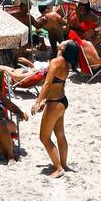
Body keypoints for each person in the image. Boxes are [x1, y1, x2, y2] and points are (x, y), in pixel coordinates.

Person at [32, 40, 78, 177]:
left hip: (54, 103)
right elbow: (58, 85)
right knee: (60, 134)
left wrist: (38, 101)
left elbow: (47, 84)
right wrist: (45, 101)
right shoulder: (66, 64)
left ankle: (58, 168)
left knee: (44, 137)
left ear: (63, 47)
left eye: (64, 42)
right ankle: (63, 164)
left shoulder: (56, 61)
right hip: (62, 101)